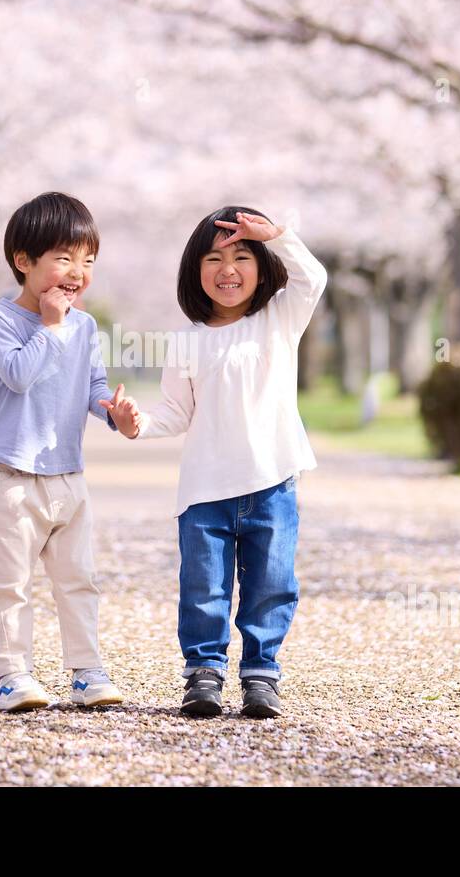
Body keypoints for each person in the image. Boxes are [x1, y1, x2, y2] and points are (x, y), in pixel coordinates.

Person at [126, 208, 327, 718]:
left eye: (241, 256)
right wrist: (138, 424)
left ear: (262, 266)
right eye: (213, 258)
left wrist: (277, 236)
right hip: (204, 491)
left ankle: (261, 676)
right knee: (203, 589)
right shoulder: (187, 340)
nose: (227, 268)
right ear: (195, 270)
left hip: (272, 483)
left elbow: (313, 276)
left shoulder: (280, 319)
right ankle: (204, 673)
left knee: (271, 585)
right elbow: (175, 412)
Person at [0, 191, 141, 712]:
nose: (78, 272)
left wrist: (112, 413)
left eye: (87, 261)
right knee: (11, 583)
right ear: (25, 263)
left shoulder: (86, 326)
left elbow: (92, 384)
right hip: (10, 474)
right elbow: (20, 376)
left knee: (78, 580)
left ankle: (87, 672)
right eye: (64, 258)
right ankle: (13, 676)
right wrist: (50, 327)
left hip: (68, 475)